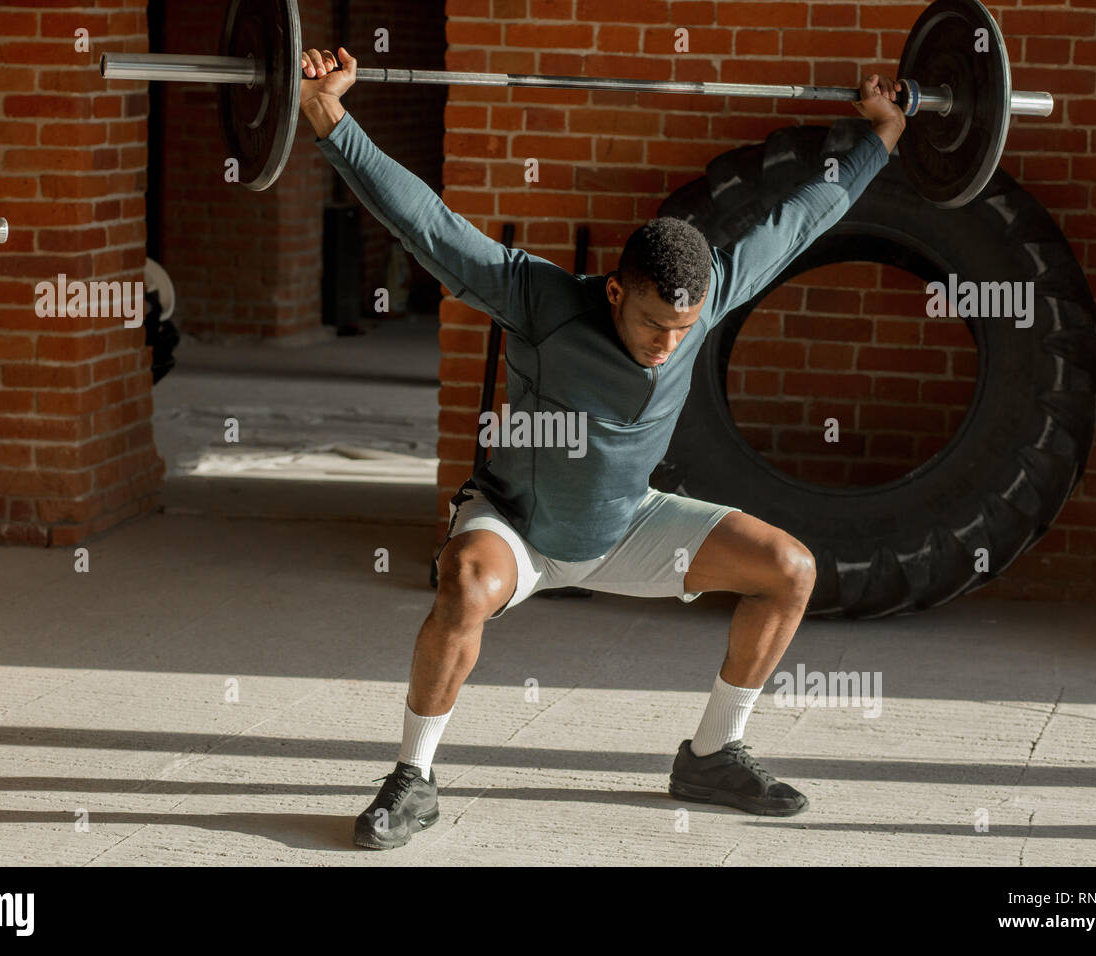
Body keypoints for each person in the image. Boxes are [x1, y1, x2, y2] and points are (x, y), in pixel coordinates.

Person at [300, 47, 905, 850]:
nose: (665, 343)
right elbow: (428, 224)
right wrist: (328, 117)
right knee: (463, 581)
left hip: (627, 524)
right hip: (520, 525)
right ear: (615, 290)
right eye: (652, 322)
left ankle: (713, 756)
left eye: (680, 332)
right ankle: (414, 778)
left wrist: (884, 136)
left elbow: (799, 218)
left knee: (789, 569)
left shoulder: (710, 288)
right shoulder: (537, 298)